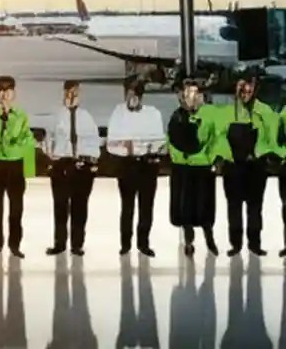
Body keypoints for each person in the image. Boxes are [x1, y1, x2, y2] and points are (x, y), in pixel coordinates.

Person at [207, 73, 277, 256]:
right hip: (233, 167)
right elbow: (219, 137)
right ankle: (235, 244)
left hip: (256, 167)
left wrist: (263, 155)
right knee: (234, 207)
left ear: (255, 89)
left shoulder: (265, 111)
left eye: (249, 87)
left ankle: (254, 243)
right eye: (242, 87)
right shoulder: (226, 112)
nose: (245, 91)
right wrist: (223, 157)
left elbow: (272, 138)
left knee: (255, 207)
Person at [107, 78, 167, 257]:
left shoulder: (153, 114)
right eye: (128, 94)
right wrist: (127, 147)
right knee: (127, 206)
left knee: (146, 206)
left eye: (135, 95)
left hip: (148, 165)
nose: (131, 99)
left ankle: (143, 243)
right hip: (127, 165)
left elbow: (159, 141)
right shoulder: (118, 113)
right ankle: (125, 244)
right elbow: (112, 142)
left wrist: (142, 146)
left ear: (141, 96)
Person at [0, 75, 33, 258]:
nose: (5, 94)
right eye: (1, 90)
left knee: (16, 208)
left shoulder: (21, 115)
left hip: (15, 164)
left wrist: (9, 115)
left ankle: (15, 245)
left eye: (9, 90)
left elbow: (24, 138)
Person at [44, 80, 101, 256]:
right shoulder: (56, 116)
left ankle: (77, 244)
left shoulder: (86, 117)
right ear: (64, 94)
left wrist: (93, 163)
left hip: (81, 165)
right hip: (62, 164)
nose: (71, 96)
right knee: (60, 207)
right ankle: (59, 243)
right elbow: (49, 139)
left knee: (80, 206)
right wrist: (51, 158)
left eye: (75, 93)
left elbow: (94, 141)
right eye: (68, 93)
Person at [168, 79, 219, 257]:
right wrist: (181, 158)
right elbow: (172, 140)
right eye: (187, 93)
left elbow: (216, 138)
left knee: (204, 206)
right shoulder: (177, 116)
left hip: (203, 169)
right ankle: (189, 243)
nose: (191, 97)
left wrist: (211, 159)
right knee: (185, 209)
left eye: (194, 93)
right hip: (183, 169)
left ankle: (209, 239)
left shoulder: (209, 115)